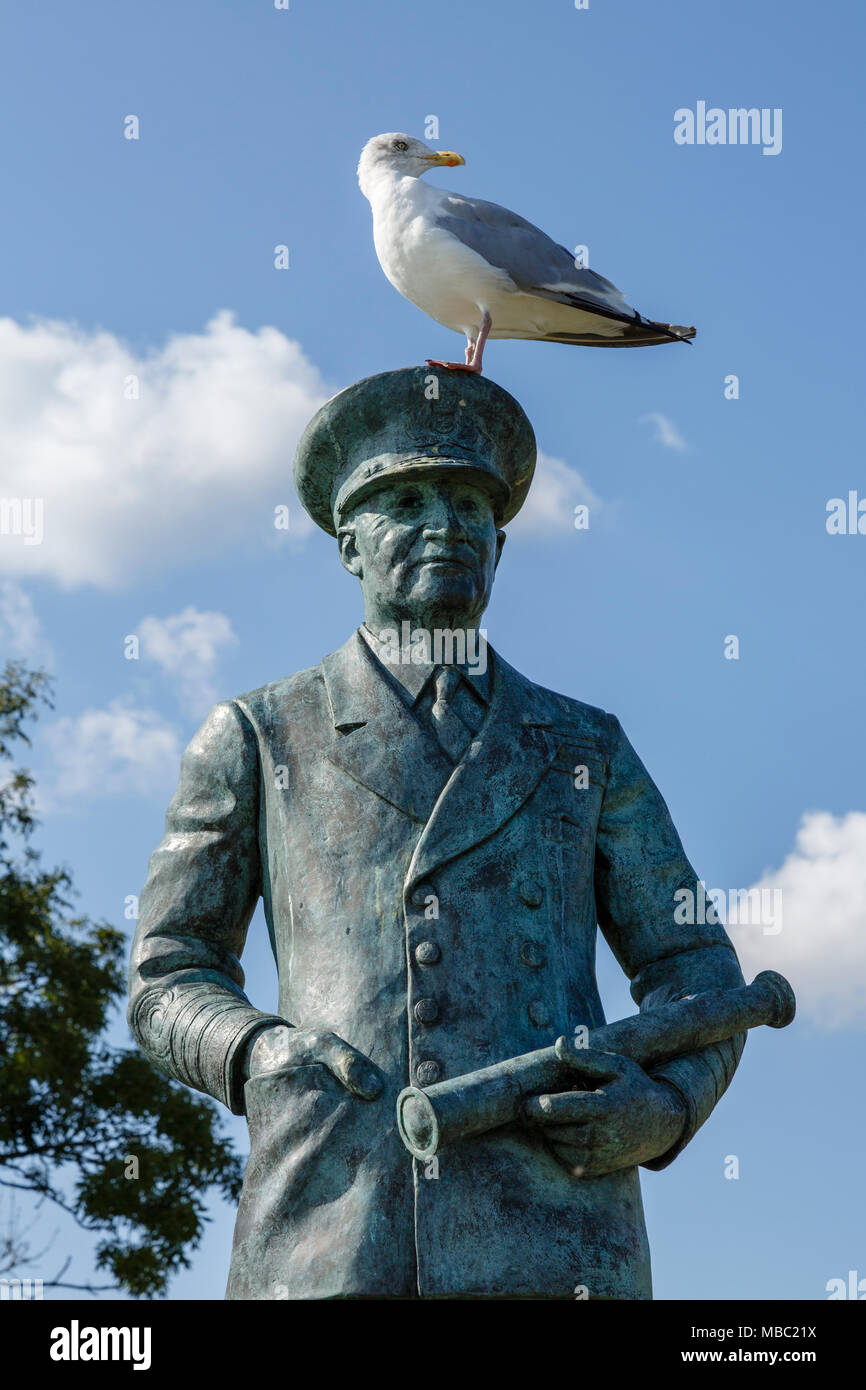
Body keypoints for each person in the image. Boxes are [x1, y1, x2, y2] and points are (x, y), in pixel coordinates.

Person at [128, 367, 745, 1300]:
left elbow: (699, 970)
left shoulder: (585, 745)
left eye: (466, 504)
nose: (443, 524)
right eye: (405, 501)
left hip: (558, 1236)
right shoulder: (260, 736)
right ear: (349, 544)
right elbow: (168, 971)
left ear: (499, 542)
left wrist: (661, 1109)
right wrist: (259, 1053)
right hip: (333, 1226)